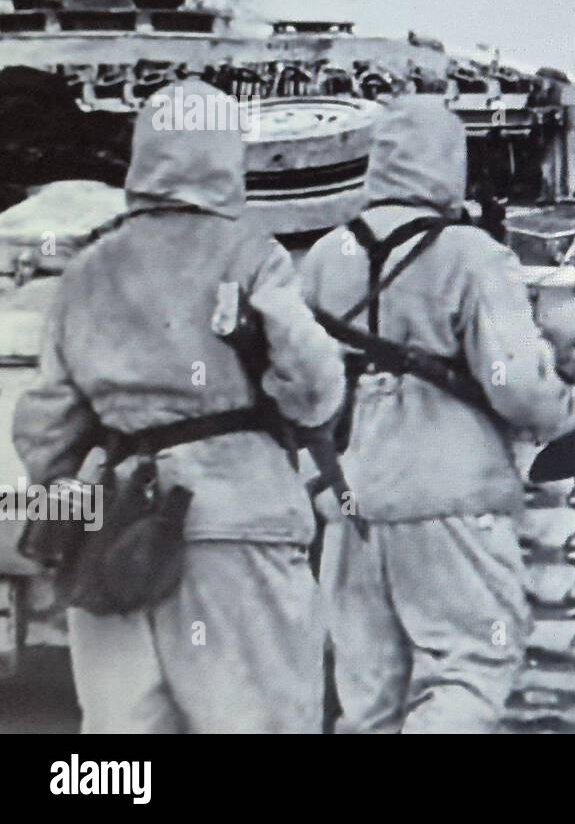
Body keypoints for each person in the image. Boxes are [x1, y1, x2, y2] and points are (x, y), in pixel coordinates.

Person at [12, 80, 345, 733]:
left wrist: (56, 506)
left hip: (116, 539)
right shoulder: (251, 253)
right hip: (238, 531)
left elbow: (46, 427)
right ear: (227, 153)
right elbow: (312, 388)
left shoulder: (88, 269)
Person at [298, 94, 575, 733]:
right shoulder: (471, 255)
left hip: (352, 498)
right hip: (452, 499)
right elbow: (515, 384)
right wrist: (570, 407)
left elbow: (300, 385)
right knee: (469, 668)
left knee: (367, 694)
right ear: (449, 163)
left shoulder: (324, 258)